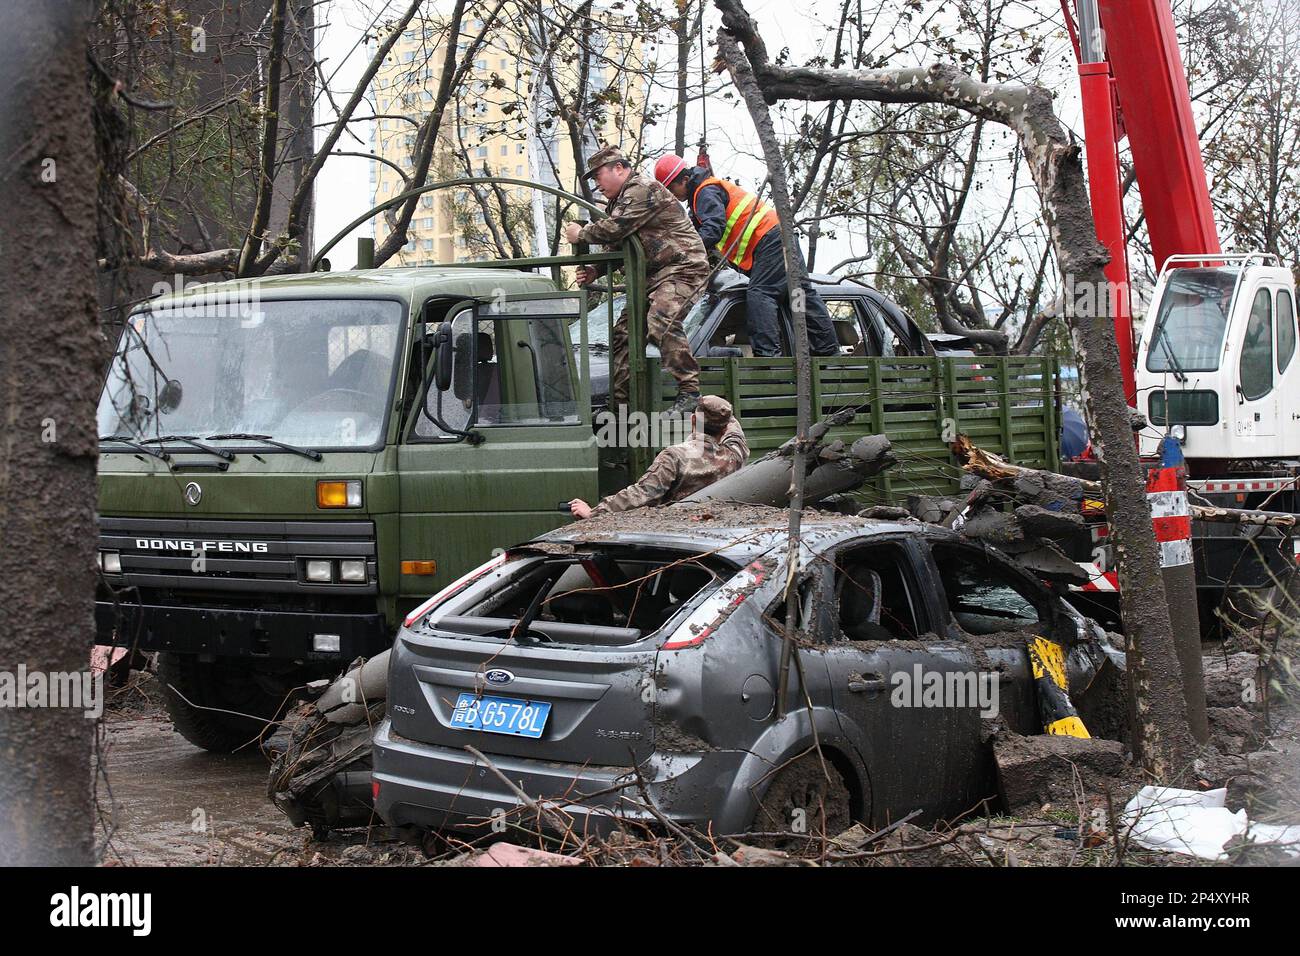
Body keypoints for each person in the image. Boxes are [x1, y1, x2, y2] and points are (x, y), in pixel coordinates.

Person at [563, 147, 706, 416]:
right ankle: (620, 409)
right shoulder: (620, 201)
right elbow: (620, 245)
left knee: (661, 321)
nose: (597, 184)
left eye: (598, 176)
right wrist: (595, 270)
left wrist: (581, 234)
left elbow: (616, 228)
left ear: (619, 168)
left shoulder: (641, 189)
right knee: (623, 336)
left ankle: (690, 394)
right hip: (652, 276)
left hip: (682, 267)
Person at [653, 154, 840, 358]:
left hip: (771, 241)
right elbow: (692, 231)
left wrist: (681, 252)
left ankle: (769, 360)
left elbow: (712, 229)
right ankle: (828, 353)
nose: (672, 195)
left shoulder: (705, 192)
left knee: (761, 294)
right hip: (782, 239)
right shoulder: (703, 195)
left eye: (671, 189)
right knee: (799, 294)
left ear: (685, 180)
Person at [569, 395, 748, 517]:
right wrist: (719, 412)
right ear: (724, 429)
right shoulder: (734, 455)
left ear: (693, 420)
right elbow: (733, 428)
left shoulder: (675, 456)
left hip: (675, 535)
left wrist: (594, 512)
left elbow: (642, 494)